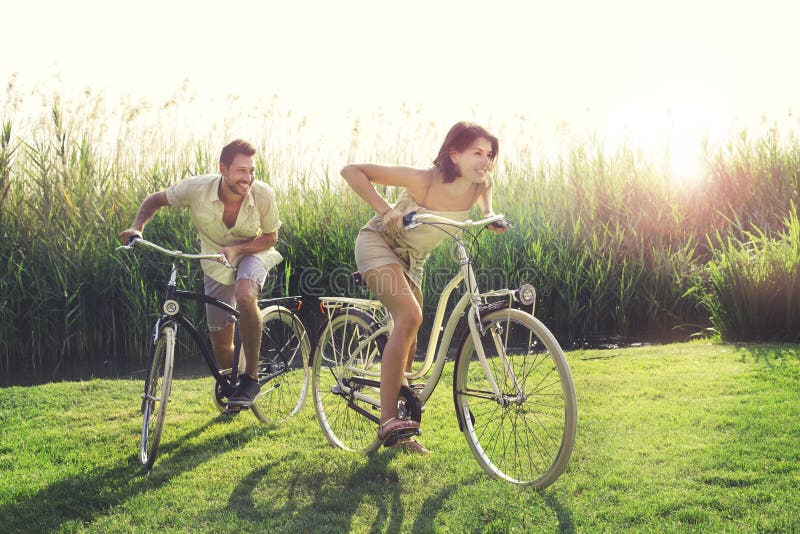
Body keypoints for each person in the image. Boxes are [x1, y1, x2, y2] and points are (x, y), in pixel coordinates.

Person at [341, 121, 506, 454]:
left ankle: (403, 433)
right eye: (477, 152)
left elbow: (486, 192)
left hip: (414, 261)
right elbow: (351, 171)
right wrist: (385, 210)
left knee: (411, 337)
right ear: (453, 153)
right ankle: (388, 420)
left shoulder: (480, 182)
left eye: (489, 154)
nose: (485, 161)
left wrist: (489, 214)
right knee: (410, 317)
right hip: (379, 245)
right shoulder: (423, 179)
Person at [120, 139, 282, 407]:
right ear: (223, 168)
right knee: (221, 344)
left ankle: (251, 378)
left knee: (244, 295)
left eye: (251, 171)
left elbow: (270, 238)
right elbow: (156, 199)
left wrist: (237, 249)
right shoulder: (196, 189)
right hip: (213, 262)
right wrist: (138, 227)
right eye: (241, 170)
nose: (248, 177)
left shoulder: (262, 194)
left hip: (252, 253)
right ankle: (236, 384)